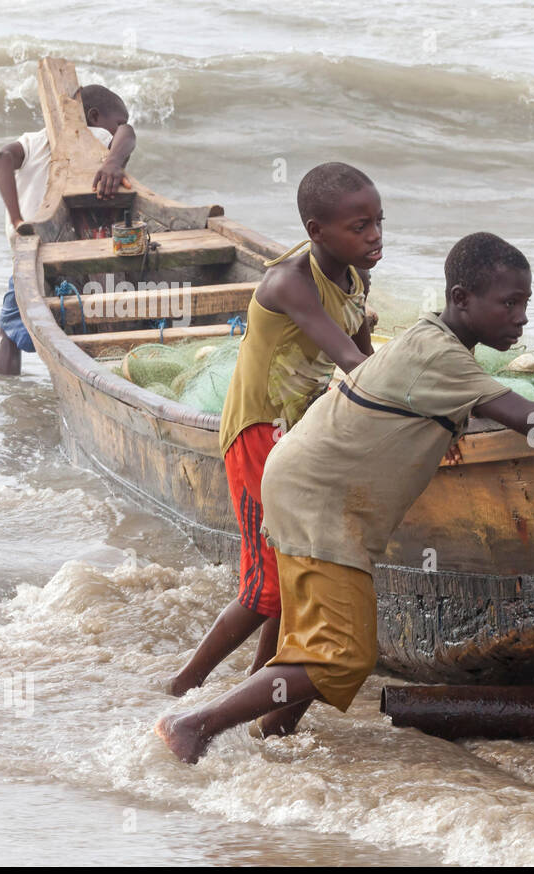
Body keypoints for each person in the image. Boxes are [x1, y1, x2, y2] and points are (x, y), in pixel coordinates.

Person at [155, 233, 534, 762]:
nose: (521, 317)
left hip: (304, 485)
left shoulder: (431, 341)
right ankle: (192, 725)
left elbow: (436, 405)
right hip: (319, 501)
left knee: (314, 645)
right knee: (342, 657)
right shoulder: (444, 358)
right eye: (509, 303)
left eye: (526, 303)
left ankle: (271, 741)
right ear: (460, 300)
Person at [167, 162, 380, 697]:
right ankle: (182, 686)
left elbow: (365, 356)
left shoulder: (354, 277)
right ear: (316, 231)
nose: (375, 236)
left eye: (379, 222)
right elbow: (355, 367)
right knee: (266, 588)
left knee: (289, 576)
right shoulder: (291, 282)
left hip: (298, 433)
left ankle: (260, 688)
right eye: (360, 227)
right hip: (258, 431)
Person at [0, 84, 134, 375]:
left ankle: (8, 396)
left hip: (35, 259)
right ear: (94, 117)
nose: (119, 127)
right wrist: (113, 162)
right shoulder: (100, 138)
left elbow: (1, 159)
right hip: (85, 259)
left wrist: (18, 219)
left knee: (7, 333)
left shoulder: (34, 141)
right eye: (117, 120)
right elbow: (129, 134)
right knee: (87, 333)